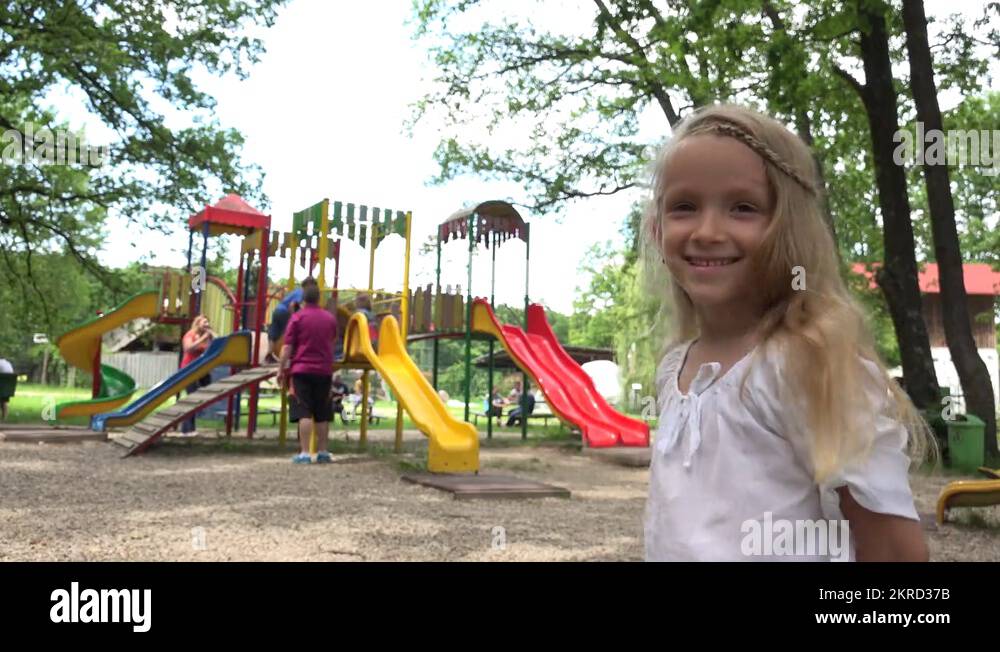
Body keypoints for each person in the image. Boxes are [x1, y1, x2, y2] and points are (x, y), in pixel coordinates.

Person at [642, 105, 932, 562]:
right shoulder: (674, 368)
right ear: (658, 230)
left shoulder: (809, 362)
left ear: (788, 226)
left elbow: (894, 551)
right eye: (685, 206)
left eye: (743, 208)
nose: (708, 230)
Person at [277, 277, 338, 464]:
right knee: (322, 412)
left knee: (303, 411)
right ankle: (323, 451)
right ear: (319, 299)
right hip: (324, 370)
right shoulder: (329, 318)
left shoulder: (297, 318)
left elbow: (287, 347)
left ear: (303, 299)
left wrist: (281, 369)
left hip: (302, 369)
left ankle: (304, 452)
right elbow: (333, 341)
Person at [179, 315, 214, 435]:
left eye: (207, 323)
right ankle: (187, 429)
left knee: (205, 390)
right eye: (204, 322)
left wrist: (210, 337)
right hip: (189, 369)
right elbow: (188, 348)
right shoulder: (190, 334)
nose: (206, 324)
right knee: (191, 398)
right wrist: (203, 338)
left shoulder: (206, 337)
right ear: (197, 323)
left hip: (200, 369)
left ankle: (191, 428)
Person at [266, 287, 303, 363]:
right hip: (284, 312)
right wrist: (293, 317)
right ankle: (286, 356)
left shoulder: (295, 291)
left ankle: (269, 354)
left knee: (274, 333)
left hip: (277, 310)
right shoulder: (301, 292)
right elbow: (292, 305)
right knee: (288, 334)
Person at [0, 357, 13, 421]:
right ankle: (4, 417)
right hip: (7, 389)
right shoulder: (8, 363)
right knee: (4, 401)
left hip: (1, 387)